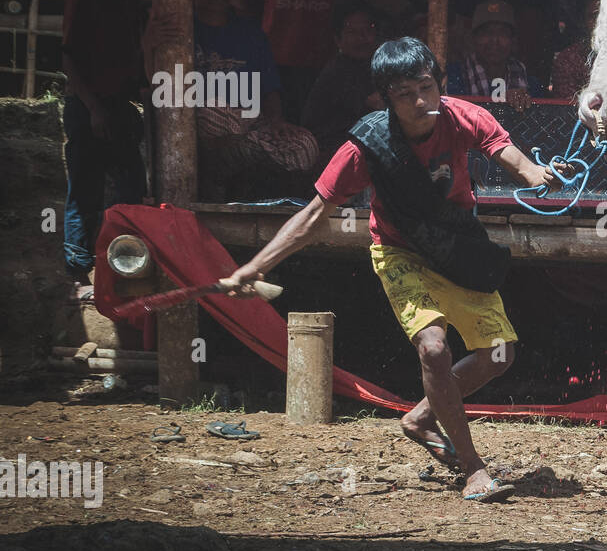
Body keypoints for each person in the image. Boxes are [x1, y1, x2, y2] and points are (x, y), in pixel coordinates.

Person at [224, 38, 570, 502]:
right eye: (406, 93)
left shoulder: (464, 116)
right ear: (385, 97)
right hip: (400, 252)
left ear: (439, 84)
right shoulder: (365, 145)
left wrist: (540, 174)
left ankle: (421, 417)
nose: (421, 102)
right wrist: (255, 265)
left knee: (501, 354)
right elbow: (312, 215)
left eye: (427, 87)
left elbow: (516, 162)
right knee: (433, 348)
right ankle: (472, 468)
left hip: (457, 248)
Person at [61, 0, 151, 301]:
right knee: (85, 188)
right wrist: (94, 107)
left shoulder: (133, 3)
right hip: (87, 105)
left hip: (121, 106)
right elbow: (68, 58)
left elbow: (142, 58)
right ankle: (78, 273)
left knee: (132, 188)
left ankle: (124, 266)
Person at [192, 0, 319, 200]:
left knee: (305, 147)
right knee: (215, 114)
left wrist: (276, 122)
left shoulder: (250, 33)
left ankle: (222, 170)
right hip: (206, 122)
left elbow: (270, 88)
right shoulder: (186, 30)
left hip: (250, 124)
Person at [301, 0, 383, 166]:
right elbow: (378, 103)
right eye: (353, 32)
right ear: (338, 40)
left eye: (368, 30)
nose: (362, 38)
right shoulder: (338, 70)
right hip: (333, 153)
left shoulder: (371, 65)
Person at [445, 0, 544, 112]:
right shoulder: (453, 76)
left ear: (512, 41)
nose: (494, 41)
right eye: (486, 33)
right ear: (474, 39)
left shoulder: (530, 83)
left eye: (502, 33)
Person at [549, 0, 599, 102]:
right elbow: (567, 107)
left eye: (604, 16)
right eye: (594, 16)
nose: (600, 22)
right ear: (583, 22)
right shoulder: (567, 59)